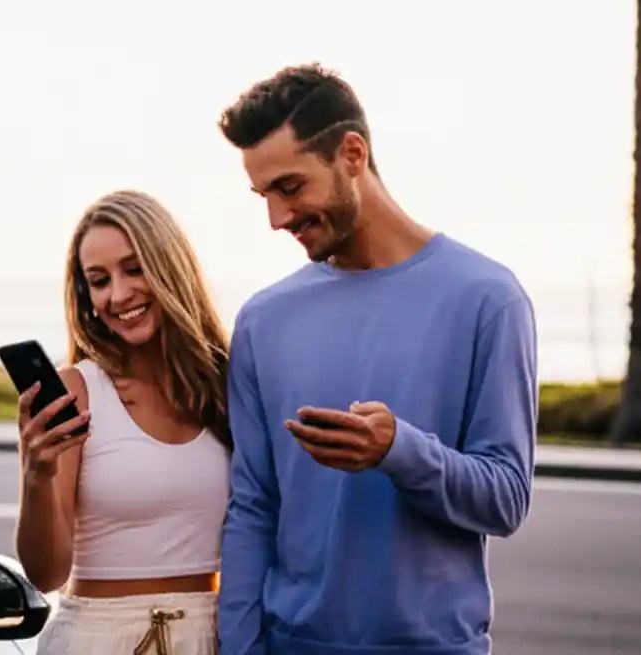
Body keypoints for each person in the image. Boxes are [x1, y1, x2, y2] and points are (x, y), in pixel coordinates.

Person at [214, 63, 538, 655]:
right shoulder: (264, 320)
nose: (278, 218)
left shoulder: (487, 299)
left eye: (291, 187)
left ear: (352, 153)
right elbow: (253, 506)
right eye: (264, 197)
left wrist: (398, 450)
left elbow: (506, 497)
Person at [14, 189, 232, 654]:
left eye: (134, 269)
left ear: (171, 267)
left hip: (211, 636)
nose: (118, 294)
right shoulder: (77, 390)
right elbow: (46, 574)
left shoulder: (226, 387)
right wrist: (37, 475)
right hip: (100, 638)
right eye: (99, 280)